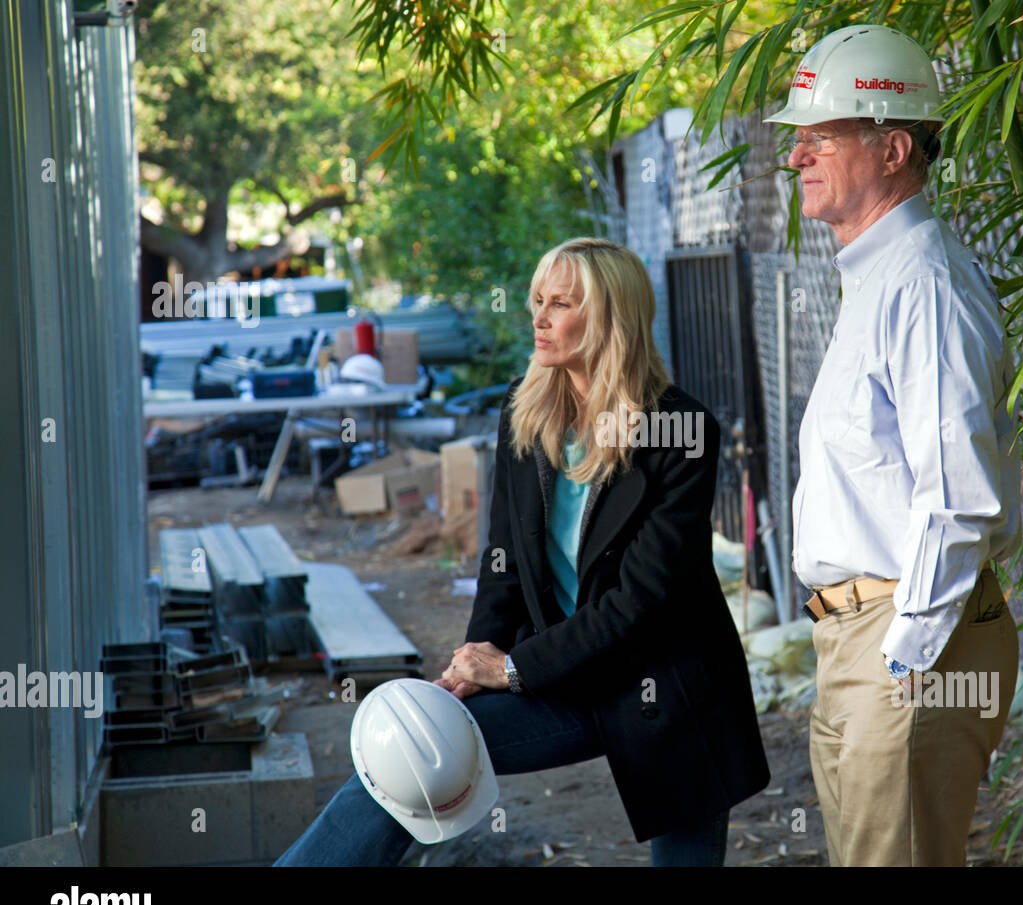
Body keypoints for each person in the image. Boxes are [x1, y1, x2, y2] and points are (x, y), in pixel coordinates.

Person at [276, 237, 770, 867]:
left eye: (559, 303)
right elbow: (502, 562)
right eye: (537, 300)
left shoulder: (683, 433)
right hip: (560, 675)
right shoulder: (524, 411)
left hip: (664, 686)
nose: (538, 317)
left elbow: (640, 603)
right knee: (406, 758)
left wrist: (511, 670)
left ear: (611, 317)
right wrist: (470, 664)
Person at [764, 24, 1023, 866]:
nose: (796, 156)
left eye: (818, 136)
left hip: (906, 639)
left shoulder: (922, 285)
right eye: (796, 139)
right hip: (864, 638)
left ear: (893, 147)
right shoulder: (880, 276)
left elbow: (958, 497)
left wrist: (903, 661)